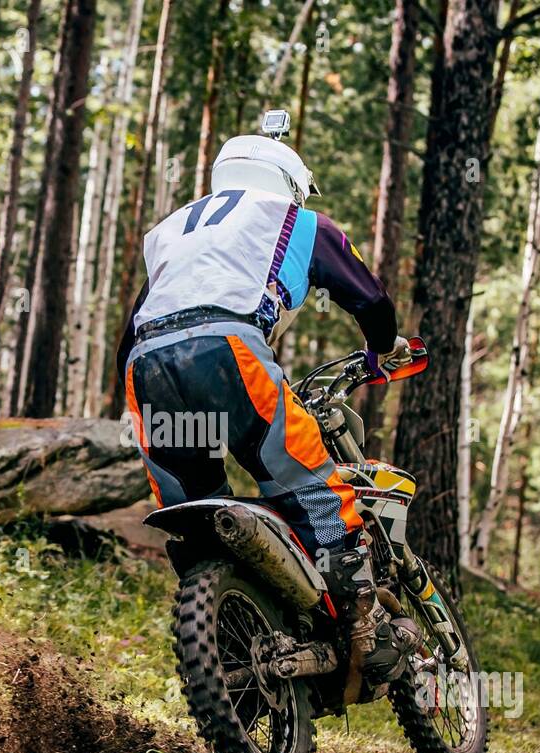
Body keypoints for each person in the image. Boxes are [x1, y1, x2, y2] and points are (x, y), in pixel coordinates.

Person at [117, 125, 412, 674]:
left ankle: (231, 646)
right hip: (228, 352)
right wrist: (377, 352)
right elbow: (369, 299)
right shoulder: (298, 221)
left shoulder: (171, 232)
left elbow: (133, 330)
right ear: (289, 184)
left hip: (149, 369)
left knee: (195, 517)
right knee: (304, 479)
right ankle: (362, 633)